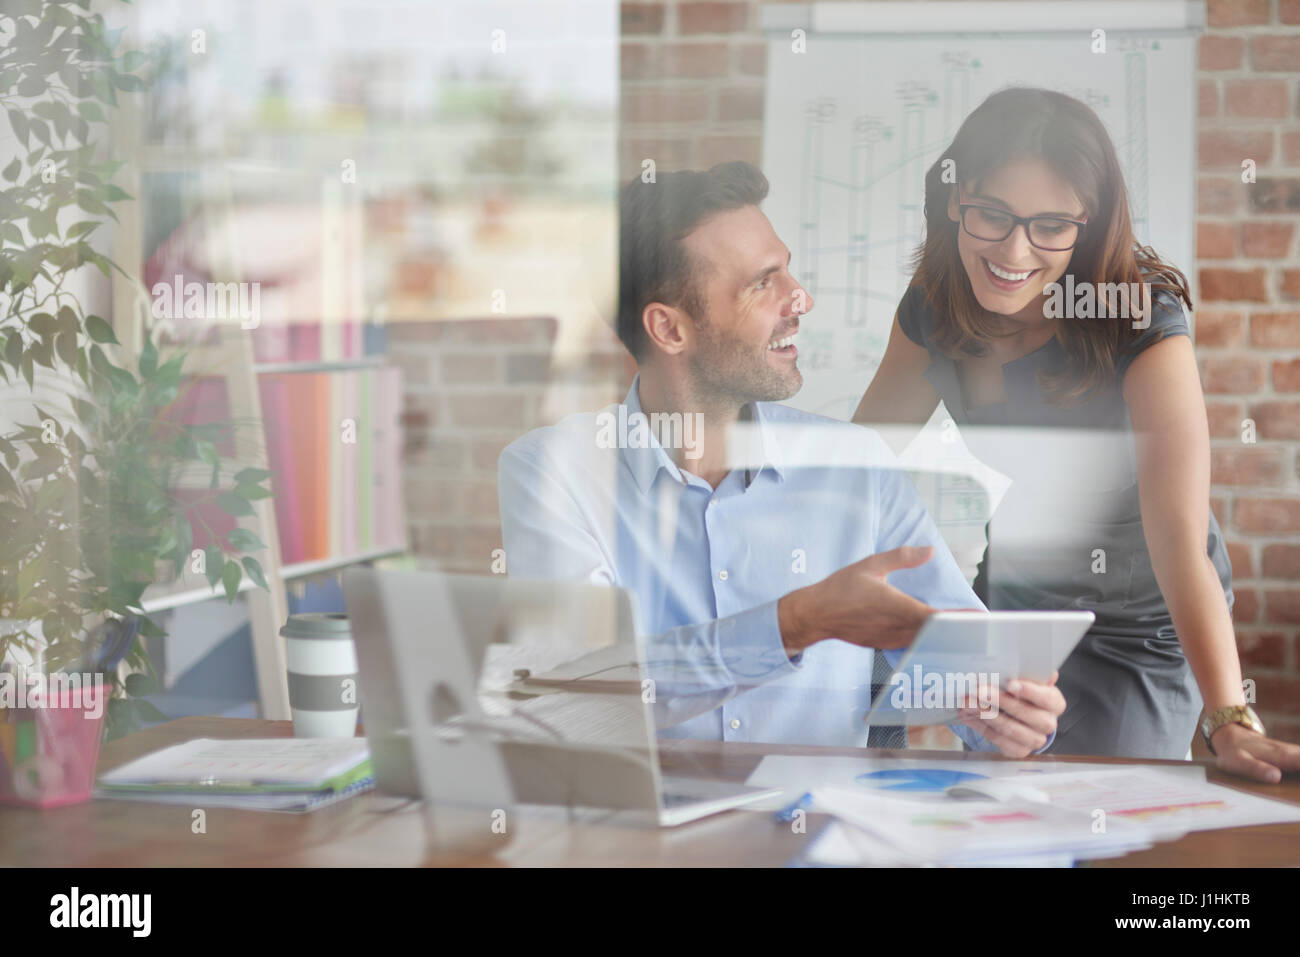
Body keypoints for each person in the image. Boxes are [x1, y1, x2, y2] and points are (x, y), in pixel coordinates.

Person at [498, 161, 1064, 756]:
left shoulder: (856, 468)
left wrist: (1007, 716)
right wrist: (794, 623)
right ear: (669, 328)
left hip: (818, 835)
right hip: (643, 839)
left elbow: (969, 678)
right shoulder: (555, 470)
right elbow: (578, 699)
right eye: (762, 282)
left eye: (787, 269)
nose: (801, 298)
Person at [854, 87, 1300, 782]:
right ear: (956, 198)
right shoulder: (933, 312)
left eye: (1051, 226)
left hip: (1139, 621)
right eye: (993, 214)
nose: (1014, 249)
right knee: (997, 802)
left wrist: (1227, 717)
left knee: (1101, 808)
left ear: (1085, 228)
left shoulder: (1139, 325)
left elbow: (1180, 540)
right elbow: (859, 469)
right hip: (1018, 600)